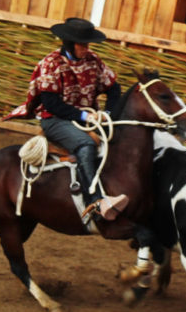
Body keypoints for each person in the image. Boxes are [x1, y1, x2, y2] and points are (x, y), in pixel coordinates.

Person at [9, 17, 127, 224]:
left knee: (122, 140)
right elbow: (51, 103)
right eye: (83, 44)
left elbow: (114, 89)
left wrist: (107, 114)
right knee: (85, 144)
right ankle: (95, 202)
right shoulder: (51, 64)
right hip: (55, 119)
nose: (87, 48)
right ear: (70, 44)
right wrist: (84, 116)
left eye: (88, 44)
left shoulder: (93, 60)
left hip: (89, 118)